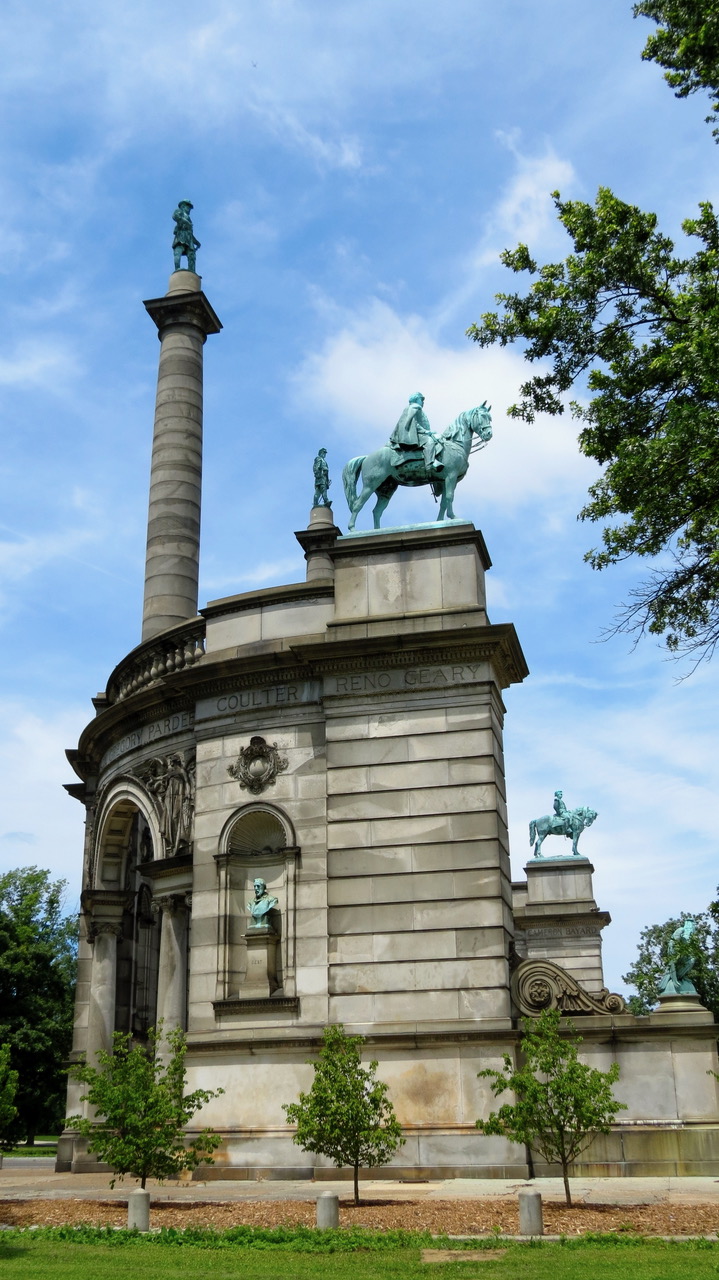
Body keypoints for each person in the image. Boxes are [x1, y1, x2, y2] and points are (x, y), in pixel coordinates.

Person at [389, 393, 443, 473]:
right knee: (429, 441)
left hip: (418, 433)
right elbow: (413, 423)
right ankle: (430, 464)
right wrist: (425, 431)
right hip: (414, 434)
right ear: (416, 399)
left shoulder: (414, 408)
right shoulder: (414, 407)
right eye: (421, 399)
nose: (423, 402)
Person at [172, 201, 201, 272]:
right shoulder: (179, 212)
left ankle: (192, 271)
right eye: (188, 207)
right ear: (183, 207)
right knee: (178, 251)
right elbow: (175, 216)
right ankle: (177, 268)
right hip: (181, 236)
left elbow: (190, 234)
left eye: (190, 208)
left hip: (189, 239)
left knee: (192, 255)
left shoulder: (189, 219)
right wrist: (186, 222)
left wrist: (197, 242)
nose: (189, 209)